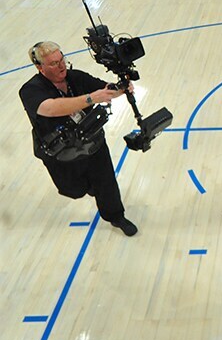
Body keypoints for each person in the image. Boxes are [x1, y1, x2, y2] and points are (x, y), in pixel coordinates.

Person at [19, 42, 137, 236]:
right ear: (40, 67)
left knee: (106, 182)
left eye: (61, 59)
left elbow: (105, 90)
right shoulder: (30, 90)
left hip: (92, 143)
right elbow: (51, 108)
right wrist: (91, 98)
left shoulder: (76, 77)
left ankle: (116, 216)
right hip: (60, 153)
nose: (61, 66)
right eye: (53, 64)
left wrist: (121, 88)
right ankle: (89, 186)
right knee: (74, 190)